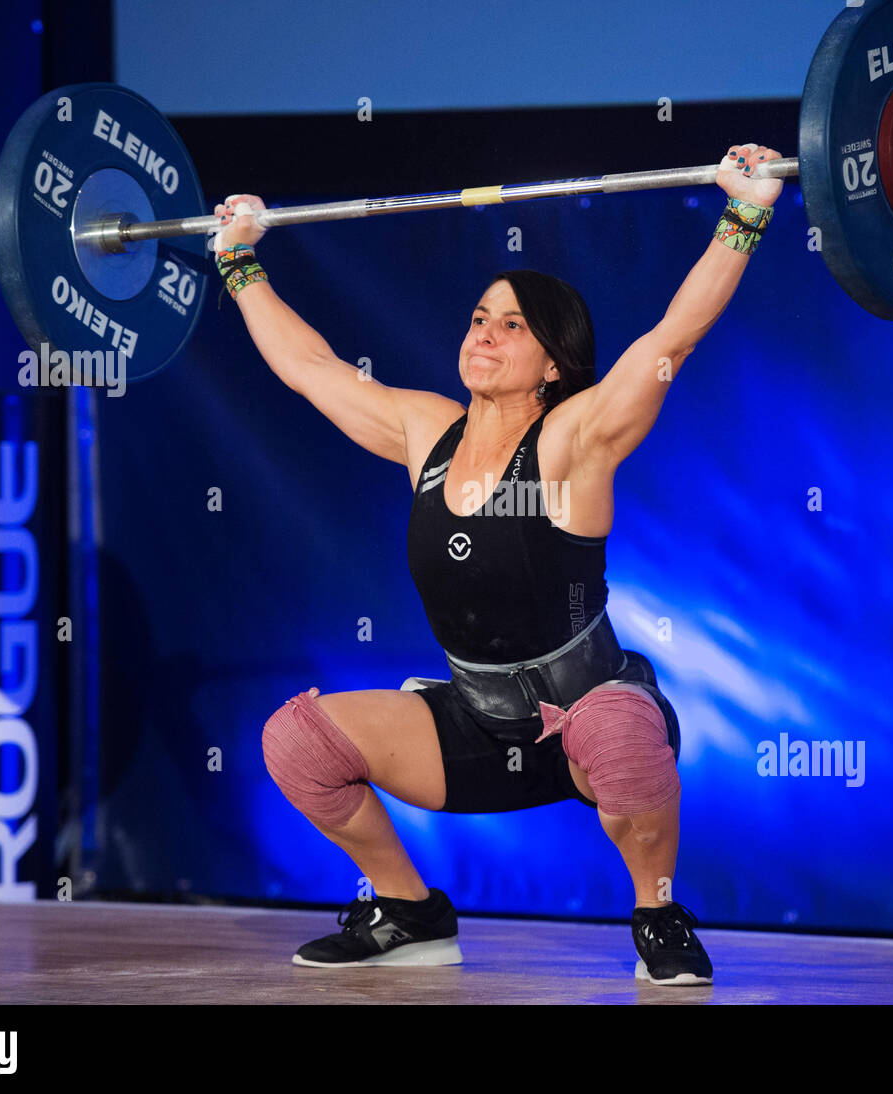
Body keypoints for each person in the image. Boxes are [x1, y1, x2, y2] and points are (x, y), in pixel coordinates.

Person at [213, 142, 782, 986]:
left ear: (553, 362)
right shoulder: (424, 433)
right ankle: (409, 911)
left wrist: (746, 213)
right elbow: (310, 371)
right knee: (297, 742)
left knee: (617, 733)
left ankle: (657, 916)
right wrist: (237, 260)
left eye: (512, 324)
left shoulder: (570, 442)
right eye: (480, 316)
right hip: (478, 725)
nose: (486, 331)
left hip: (593, 710)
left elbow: (674, 338)